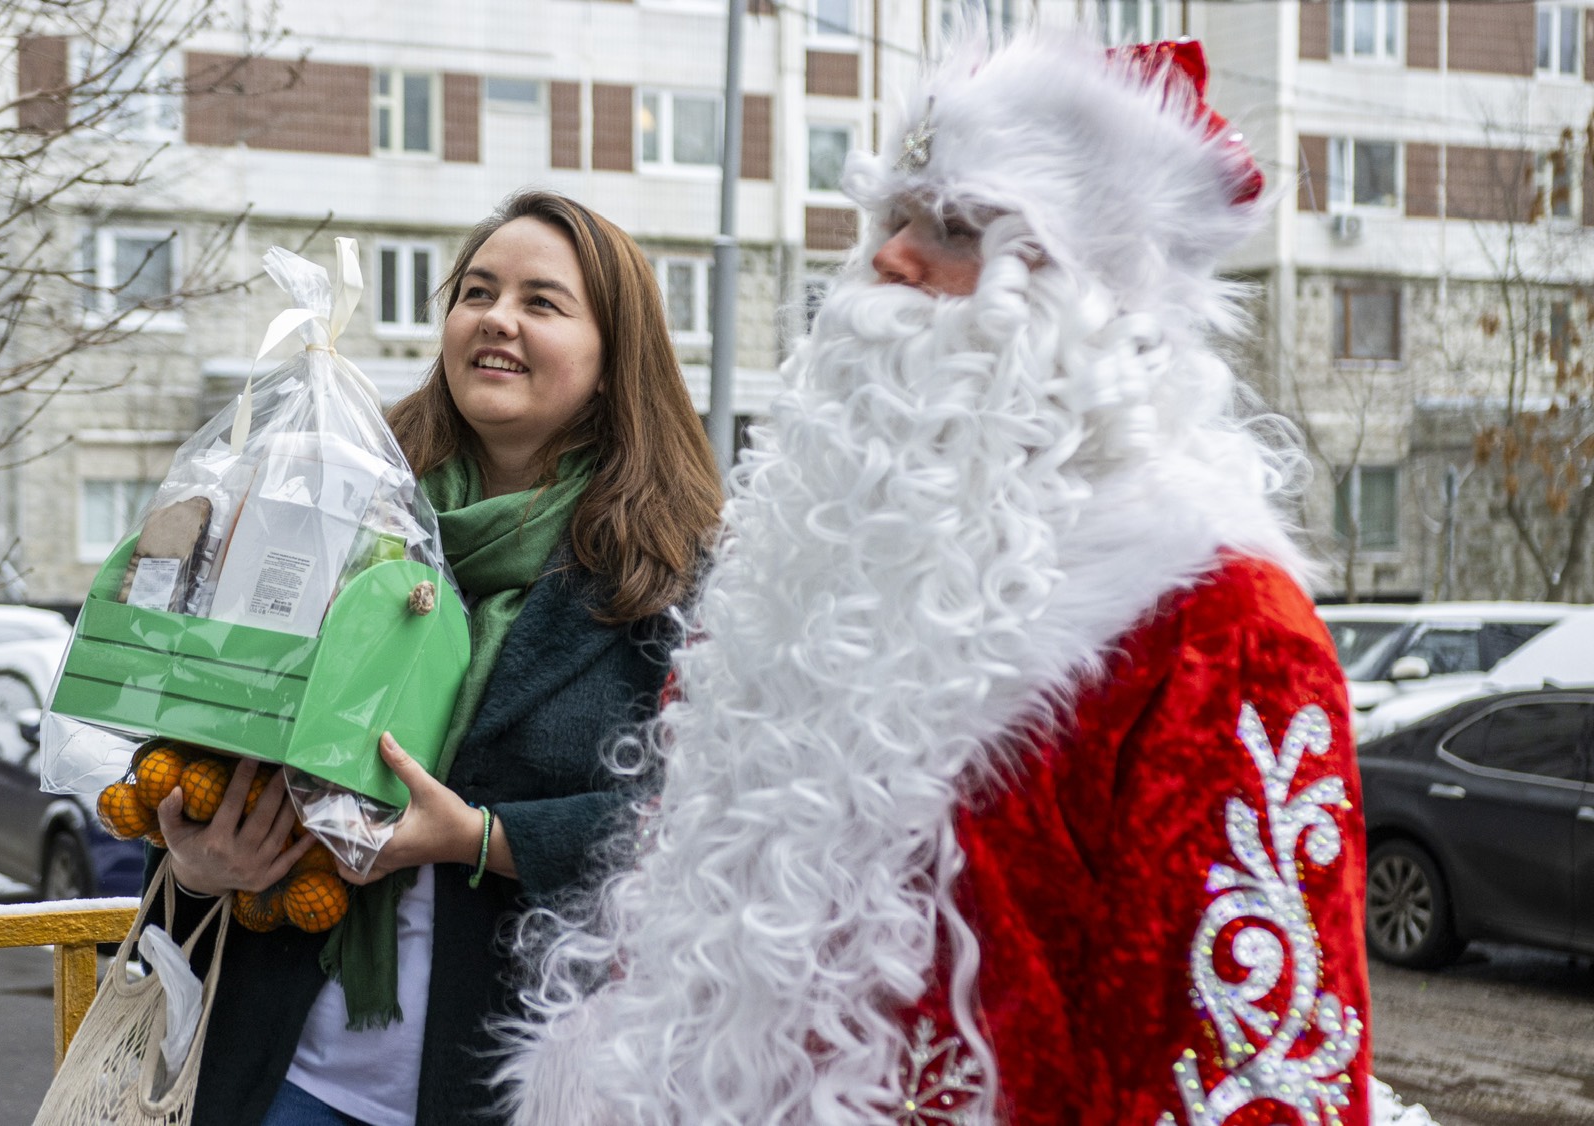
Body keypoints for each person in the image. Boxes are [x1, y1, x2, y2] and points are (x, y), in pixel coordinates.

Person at [501, 33, 1374, 1126]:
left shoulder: (1213, 628)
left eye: (954, 230)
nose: (892, 261)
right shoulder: (803, 582)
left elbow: (1257, 1082)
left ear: (1090, 295)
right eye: (890, 223)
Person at [149, 189, 723, 1126]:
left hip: (523, 1086)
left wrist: (486, 841)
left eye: (542, 302)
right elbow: (207, 725)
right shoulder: (341, 504)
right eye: (477, 292)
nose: (497, 318)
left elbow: (712, 825)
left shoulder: (676, 572)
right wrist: (197, 860)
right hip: (282, 1072)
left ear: (618, 356)